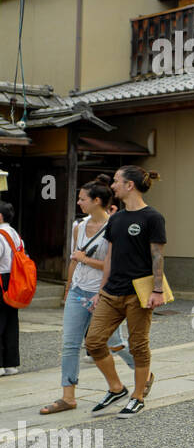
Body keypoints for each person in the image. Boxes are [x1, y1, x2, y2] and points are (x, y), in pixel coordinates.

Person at [40, 176, 135, 415]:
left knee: (114, 344)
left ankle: (143, 373)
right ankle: (68, 396)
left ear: (97, 201)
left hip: (103, 294)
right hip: (78, 291)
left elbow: (114, 266)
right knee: (70, 344)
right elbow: (75, 258)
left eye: (83, 198)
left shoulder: (114, 227)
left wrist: (86, 261)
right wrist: (68, 287)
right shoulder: (78, 227)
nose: (79, 202)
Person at [85, 165, 167, 418]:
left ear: (129, 185)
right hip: (112, 292)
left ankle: (138, 395)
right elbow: (110, 256)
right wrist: (100, 290)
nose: (113, 185)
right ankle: (116, 387)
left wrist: (157, 290)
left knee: (138, 345)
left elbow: (157, 255)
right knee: (94, 341)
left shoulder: (153, 217)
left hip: (139, 292)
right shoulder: (116, 219)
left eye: (117, 181)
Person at [0, 201, 23, 374]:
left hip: (1, 277)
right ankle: (10, 362)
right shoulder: (15, 234)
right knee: (10, 320)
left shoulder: (0, 234)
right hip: (14, 278)